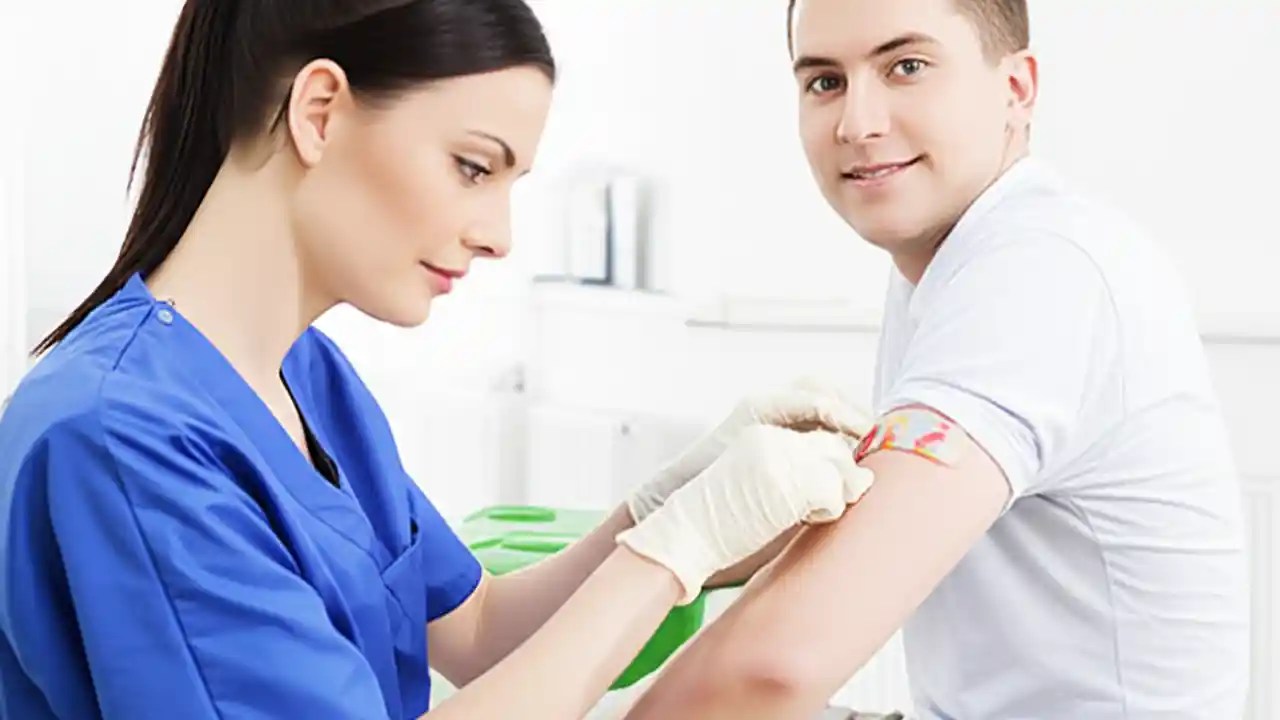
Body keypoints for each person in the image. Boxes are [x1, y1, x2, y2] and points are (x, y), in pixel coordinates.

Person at [0, 2, 878, 719]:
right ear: (320, 112)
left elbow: (483, 629)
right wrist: (675, 552)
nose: (497, 236)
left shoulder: (309, 380)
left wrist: (670, 508)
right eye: (471, 168)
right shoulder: (122, 438)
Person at [623, 0, 1252, 718]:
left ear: (1017, 89)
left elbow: (773, 669)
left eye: (907, 67)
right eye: (824, 82)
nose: (858, 123)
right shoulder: (952, 259)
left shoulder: (1040, 271)